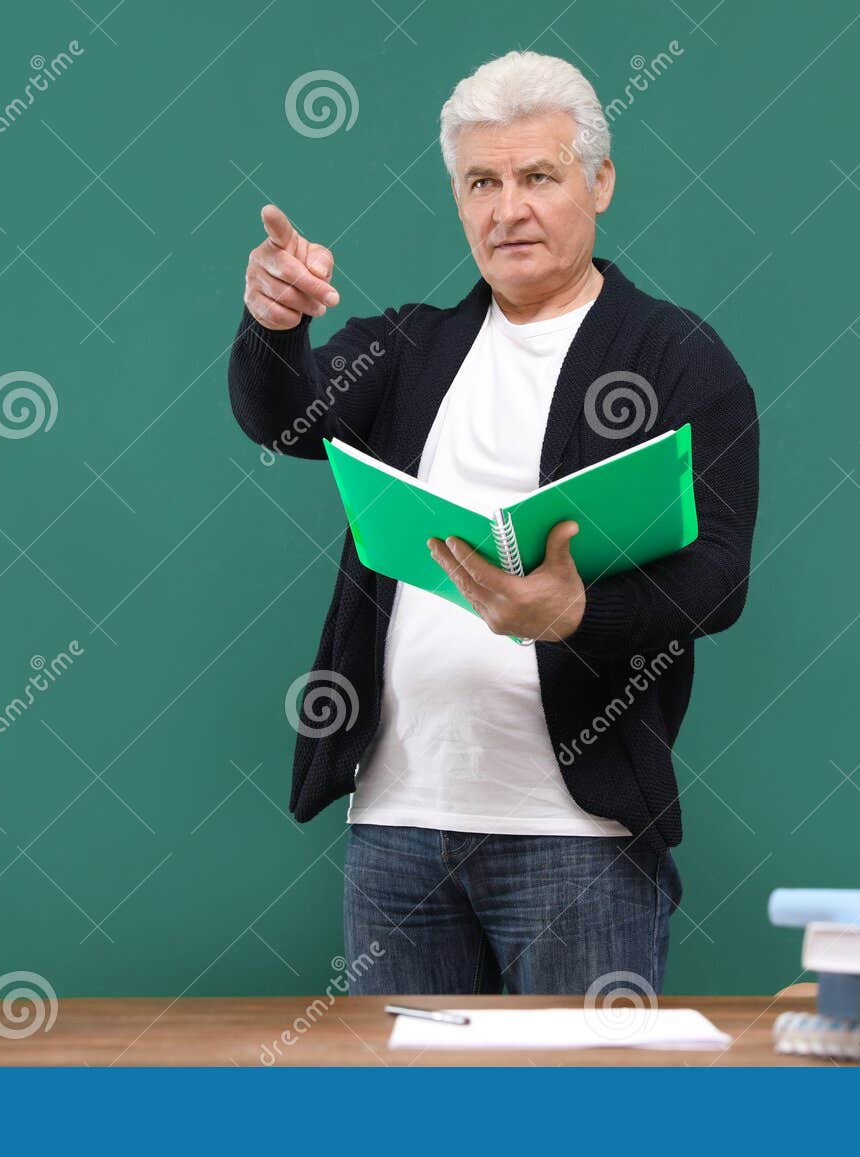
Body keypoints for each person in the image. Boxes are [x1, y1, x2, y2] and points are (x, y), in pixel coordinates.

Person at [228, 50, 759, 995]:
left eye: (537, 177)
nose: (507, 208)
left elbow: (720, 575)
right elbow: (284, 416)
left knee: (577, 1121)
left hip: (579, 844)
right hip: (396, 825)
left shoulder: (678, 356)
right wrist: (274, 324)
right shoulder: (407, 345)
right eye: (482, 182)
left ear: (599, 183)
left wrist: (574, 616)